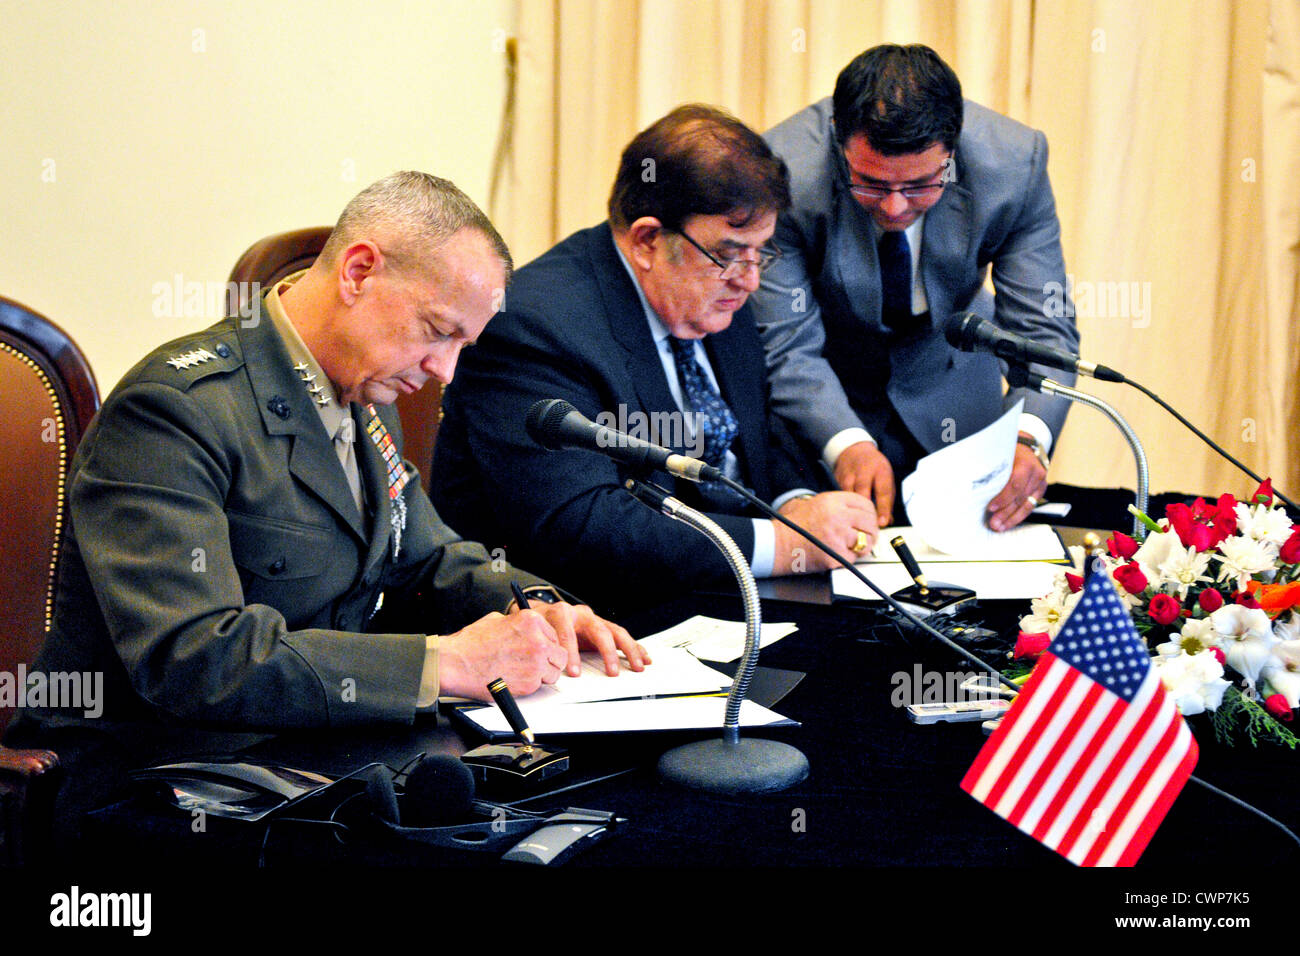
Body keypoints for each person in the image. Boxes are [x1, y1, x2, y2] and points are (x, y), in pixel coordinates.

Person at [11, 171, 647, 755]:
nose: (443, 371)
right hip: (160, 770)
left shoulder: (363, 387)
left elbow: (427, 559)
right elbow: (197, 661)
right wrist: (445, 662)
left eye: (462, 345)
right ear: (359, 272)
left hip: (314, 749)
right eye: (436, 329)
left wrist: (535, 609)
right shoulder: (175, 411)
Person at [430, 106, 878, 609]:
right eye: (731, 254)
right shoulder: (533, 325)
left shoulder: (711, 290)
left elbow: (754, 428)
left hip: (728, 596)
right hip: (590, 617)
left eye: (760, 252)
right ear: (647, 240)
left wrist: (797, 505)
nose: (750, 279)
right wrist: (785, 545)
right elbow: (580, 525)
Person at [748, 44, 1078, 533]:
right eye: (872, 185)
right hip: (822, 404)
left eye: (921, 185)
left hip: (955, 392)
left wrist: (1027, 438)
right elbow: (786, 343)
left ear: (953, 147)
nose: (896, 208)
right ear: (840, 143)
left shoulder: (1013, 165)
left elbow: (1042, 331)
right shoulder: (780, 170)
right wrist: (846, 443)